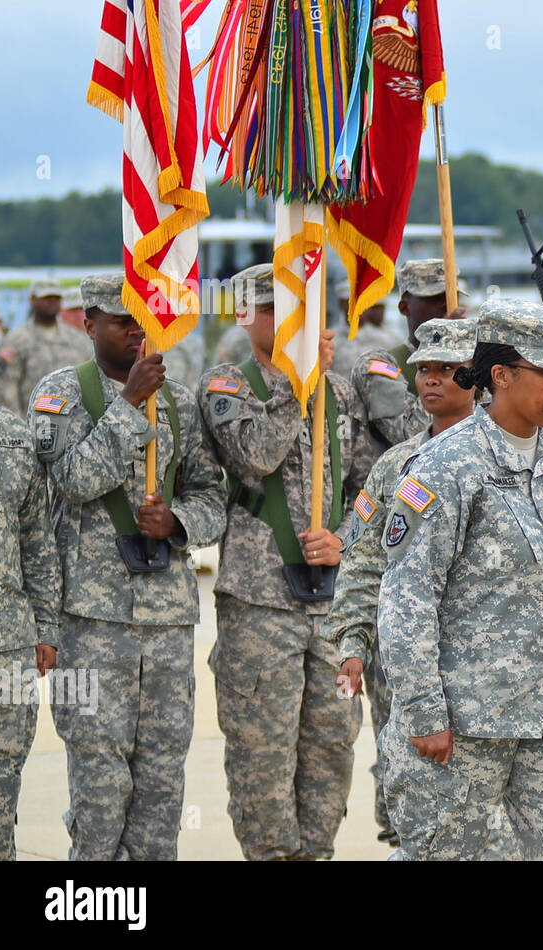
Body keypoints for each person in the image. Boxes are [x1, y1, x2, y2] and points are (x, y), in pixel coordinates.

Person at [377, 297, 543, 861]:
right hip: (462, 724)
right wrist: (425, 712)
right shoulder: (443, 466)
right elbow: (407, 597)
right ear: (501, 375)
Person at [29, 272, 227, 860]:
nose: (137, 333)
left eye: (144, 320)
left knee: (163, 780)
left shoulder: (180, 401)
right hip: (91, 622)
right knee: (99, 783)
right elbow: (72, 482)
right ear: (89, 324)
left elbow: (213, 498)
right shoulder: (61, 395)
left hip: (167, 620)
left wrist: (179, 522)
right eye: (122, 322)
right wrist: (128, 404)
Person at [199, 262, 374, 861]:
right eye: (272, 308)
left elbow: (368, 488)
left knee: (332, 745)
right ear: (245, 316)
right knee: (262, 752)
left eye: (298, 307)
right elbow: (258, 455)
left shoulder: (342, 391)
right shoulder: (229, 384)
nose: (288, 320)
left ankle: (316, 855)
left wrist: (346, 538)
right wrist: (296, 384)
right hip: (259, 601)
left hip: (331, 601)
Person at [325, 316, 478, 848]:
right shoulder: (396, 466)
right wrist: (351, 641)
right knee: (413, 800)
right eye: (424, 370)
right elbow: (365, 560)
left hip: (491, 674)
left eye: (448, 370)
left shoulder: (514, 456)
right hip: (410, 668)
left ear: (479, 377)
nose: (432, 380)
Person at [0, 401, 62, 862]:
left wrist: (47, 625)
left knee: (3, 783)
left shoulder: (13, 437)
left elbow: (37, 540)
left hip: (8, 645)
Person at [350, 259, 467, 458]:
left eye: (452, 296)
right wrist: (442, 347)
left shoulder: (472, 362)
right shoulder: (379, 365)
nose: (447, 305)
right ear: (405, 307)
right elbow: (416, 433)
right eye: (434, 297)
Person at [0, 279, 91, 413]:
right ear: (33, 300)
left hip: (73, 420)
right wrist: (17, 424)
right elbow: (7, 387)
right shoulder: (17, 339)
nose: (52, 302)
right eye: (46, 298)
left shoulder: (76, 338)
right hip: (31, 420)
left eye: (56, 298)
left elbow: (87, 381)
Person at [332, 277, 401, 378]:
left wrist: (374, 367)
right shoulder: (331, 339)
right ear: (341, 305)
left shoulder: (387, 339)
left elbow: (396, 372)